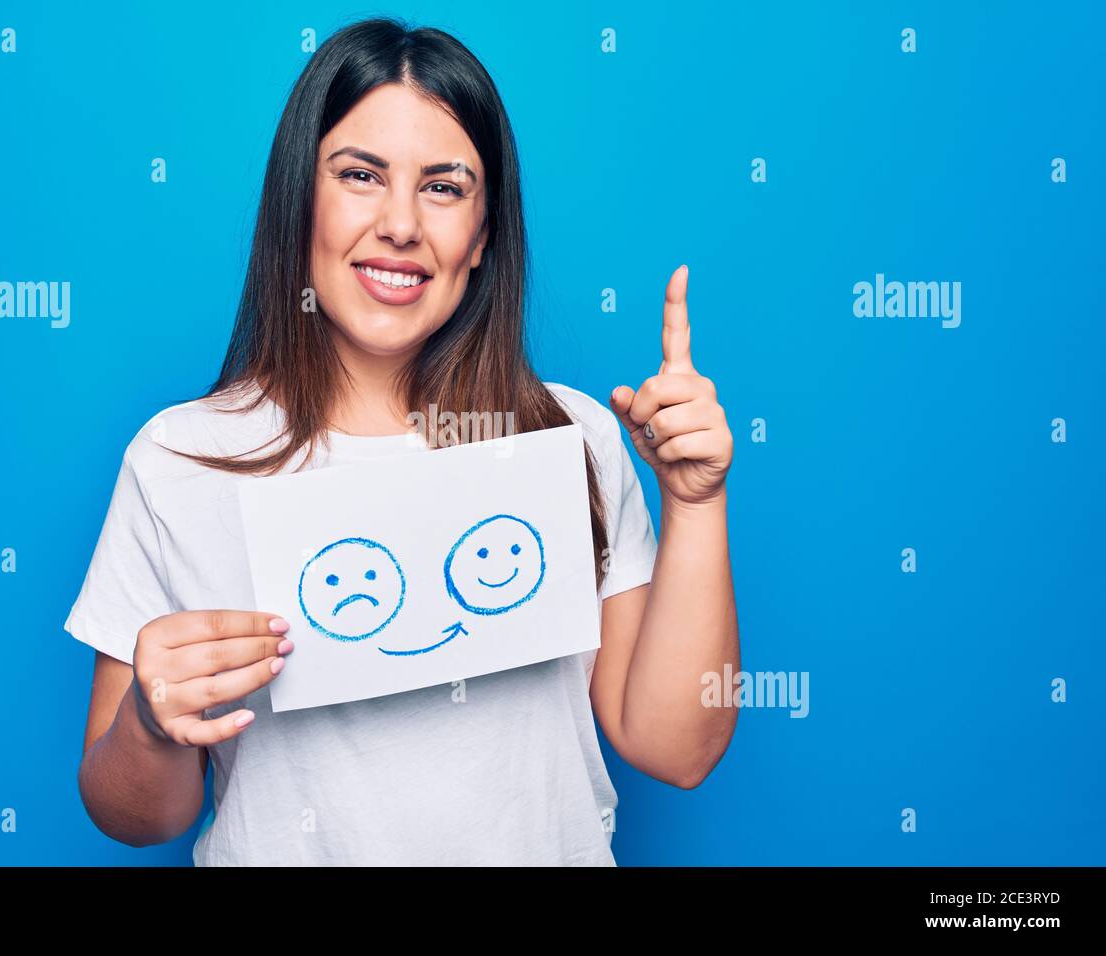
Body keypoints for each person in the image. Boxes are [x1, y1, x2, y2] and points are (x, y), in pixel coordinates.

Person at [65, 16, 739, 866]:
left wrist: (696, 502)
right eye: (359, 175)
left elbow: (676, 750)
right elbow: (138, 818)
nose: (400, 224)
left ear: (484, 234)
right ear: (299, 198)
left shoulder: (568, 439)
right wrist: (152, 726)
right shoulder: (179, 461)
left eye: (445, 187)